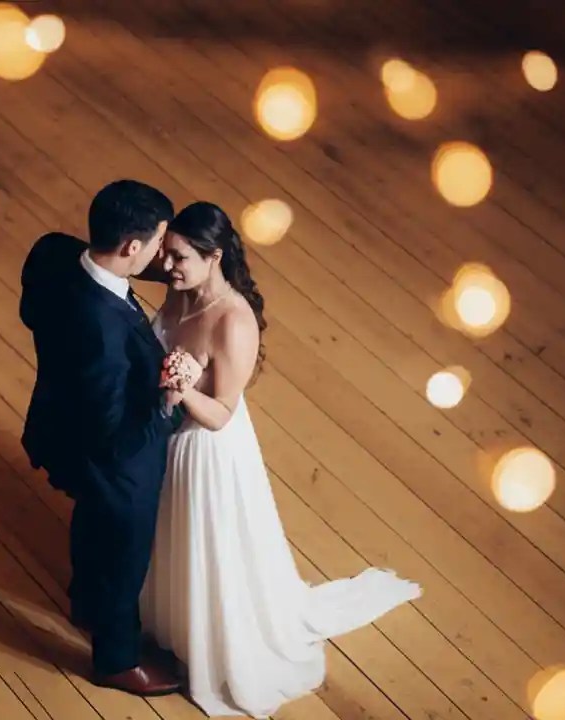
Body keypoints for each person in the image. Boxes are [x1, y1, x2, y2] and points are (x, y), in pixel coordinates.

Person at [140, 201, 423, 718]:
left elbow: (222, 413)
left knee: (208, 547)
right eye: (167, 255)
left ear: (214, 256)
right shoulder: (178, 290)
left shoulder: (233, 321)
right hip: (165, 437)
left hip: (204, 452)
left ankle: (213, 641)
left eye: (179, 257)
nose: (168, 266)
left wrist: (180, 386)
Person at [19, 179, 201, 696]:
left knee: (88, 521)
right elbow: (113, 432)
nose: (164, 251)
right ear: (131, 248)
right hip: (116, 459)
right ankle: (116, 659)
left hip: (61, 421)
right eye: (159, 242)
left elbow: (33, 312)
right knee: (124, 551)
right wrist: (167, 402)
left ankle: (83, 597)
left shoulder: (55, 253)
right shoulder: (103, 332)